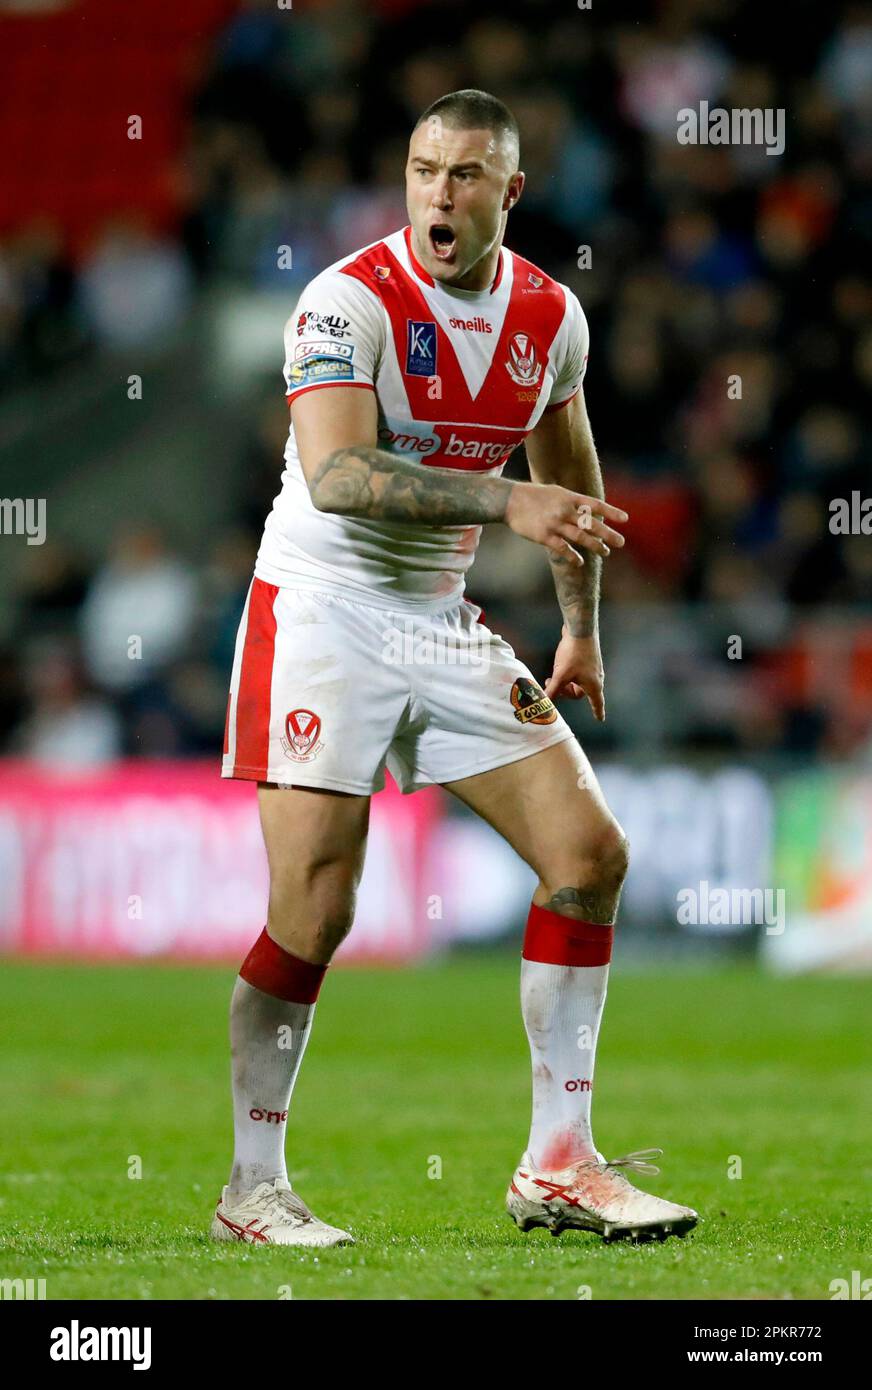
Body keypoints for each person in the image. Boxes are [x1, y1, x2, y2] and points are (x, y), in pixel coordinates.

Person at [214, 90, 698, 1247]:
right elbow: (337, 475)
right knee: (314, 908)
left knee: (587, 855)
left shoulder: (549, 316)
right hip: (321, 612)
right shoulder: (344, 301)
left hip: (438, 618)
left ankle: (559, 1163)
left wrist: (579, 627)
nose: (439, 192)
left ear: (508, 192)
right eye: (423, 169)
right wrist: (503, 499)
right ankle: (251, 1188)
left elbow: (567, 487)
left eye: (465, 174)